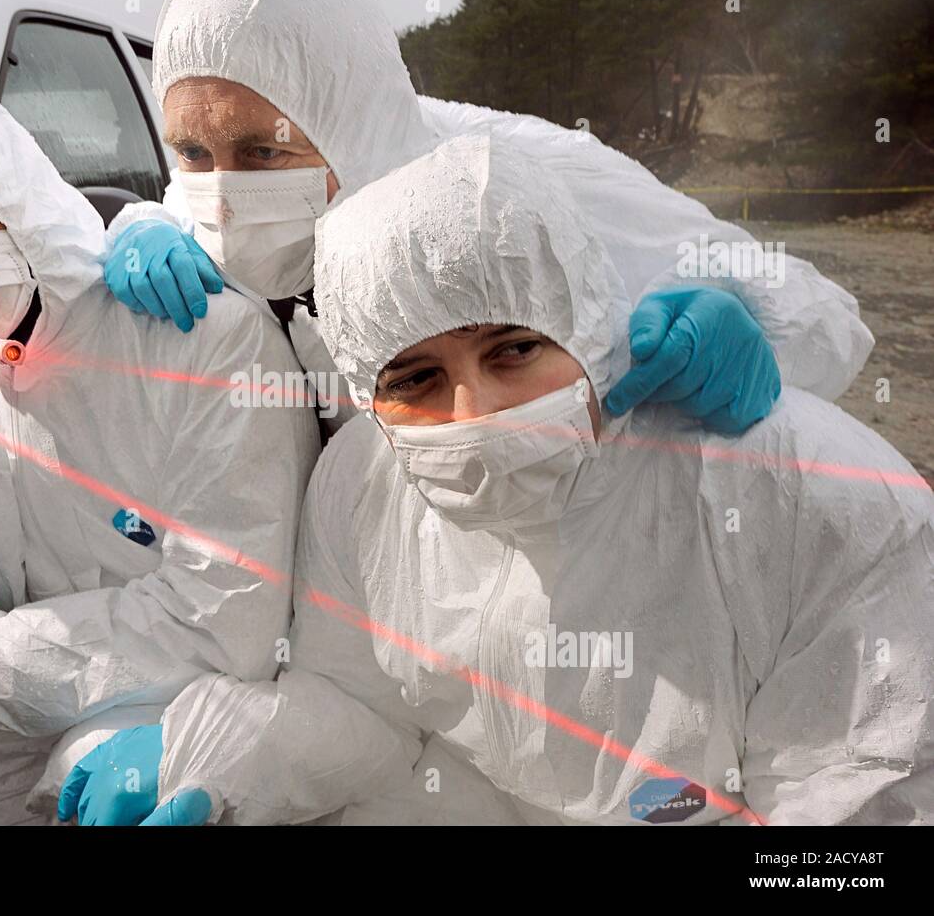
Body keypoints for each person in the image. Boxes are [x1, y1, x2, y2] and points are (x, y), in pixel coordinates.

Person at [64, 131, 934, 826]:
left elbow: (864, 793)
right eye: (414, 380)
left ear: (586, 322)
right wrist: (218, 756)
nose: (472, 412)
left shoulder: (803, 495)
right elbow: (363, 703)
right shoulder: (362, 487)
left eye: (513, 349)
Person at [99, 0, 872, 435]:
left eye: (265, 153)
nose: (224, 197)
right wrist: (143, 222)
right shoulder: (221, 188)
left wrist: (757, 330)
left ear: (348, 115)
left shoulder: (509, 179)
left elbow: (828, 320)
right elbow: (191, 196)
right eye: (195, 154)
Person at [0, 74, 319, 824]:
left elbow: (226, 628)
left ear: (22, 198)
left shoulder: (198, 336)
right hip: (24, 724)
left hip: (197, 728)